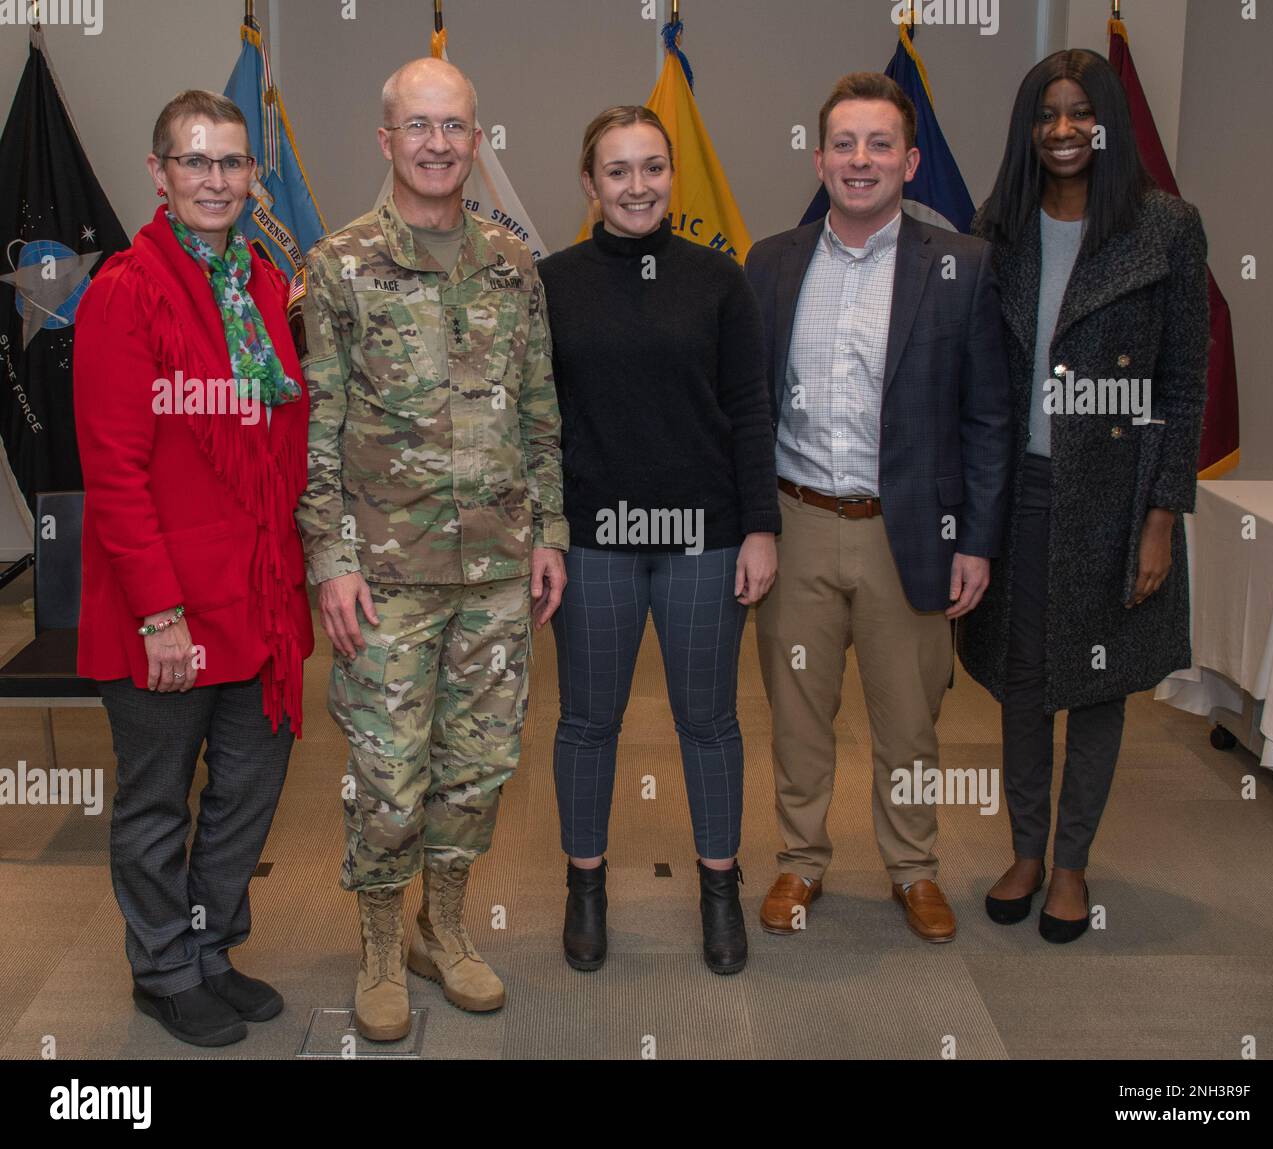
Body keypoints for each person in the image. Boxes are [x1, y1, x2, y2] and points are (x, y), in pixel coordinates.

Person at [295, 58, 566, 1039]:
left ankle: (440, 931)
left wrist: (553, 534)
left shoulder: (511, 263)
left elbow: (540, 406)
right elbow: (319, 424)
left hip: (497, 571)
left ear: (475, 138)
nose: (439, 144)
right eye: (419, 127)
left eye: (455, 126)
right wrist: (329, 559)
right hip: (389, 580)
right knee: (388, 777)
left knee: (478, 767)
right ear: (387, 141)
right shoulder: (338, 266)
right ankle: (377, 948)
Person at [745, 72, 1011, 943]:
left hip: (911, 538)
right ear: (819, 159)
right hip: (798, 527)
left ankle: (914, 867)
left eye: (879, 145)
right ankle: (800, 859)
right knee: (798, 713)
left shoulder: (960, 267)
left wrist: (974, 539)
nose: (861, 161)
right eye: (845, 145)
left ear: (910, 159)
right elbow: (747, 405)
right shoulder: (773, 262)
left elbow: (987, 415)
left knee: (910, 719)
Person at [73, 90, 313, 1046]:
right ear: (159, 174)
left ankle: (211, 948)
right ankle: (163, 970)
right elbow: (114, 473)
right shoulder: (125, 293)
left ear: (253, 176)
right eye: (196, 162)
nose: (216, 180)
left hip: (258, 597)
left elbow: (286, 436)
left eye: (232, 163)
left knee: (249, 790)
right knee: (156, 798)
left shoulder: (262, 284)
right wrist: (158, 615)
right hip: (161, 608)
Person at [957, 49, 1209, 943]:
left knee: (1099, 684)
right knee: (1023, 682)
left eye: (1080, 112)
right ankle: (1026, 849)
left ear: (1107, 121)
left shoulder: (1165, 228)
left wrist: (1160, 518)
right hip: (1020, 492)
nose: (1063, 129)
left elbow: (1183, 387)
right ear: (1030, 129)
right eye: (1046, 114)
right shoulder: (999, 226)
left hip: (1115, 496)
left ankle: (1071, 864)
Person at [537, 106, 779, 976]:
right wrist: (546, 536)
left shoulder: (722, 279)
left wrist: (760, 527)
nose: (636, 186)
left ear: (672, 176)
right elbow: (537, 421)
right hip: (594, 541)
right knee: (587, 722)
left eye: (651, 168)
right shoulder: (551, 282)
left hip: (704, 540)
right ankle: (586, 886)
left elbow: (751, 410)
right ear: (589, 183)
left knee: (709, 721)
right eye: (617, 171)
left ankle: (720, 891)